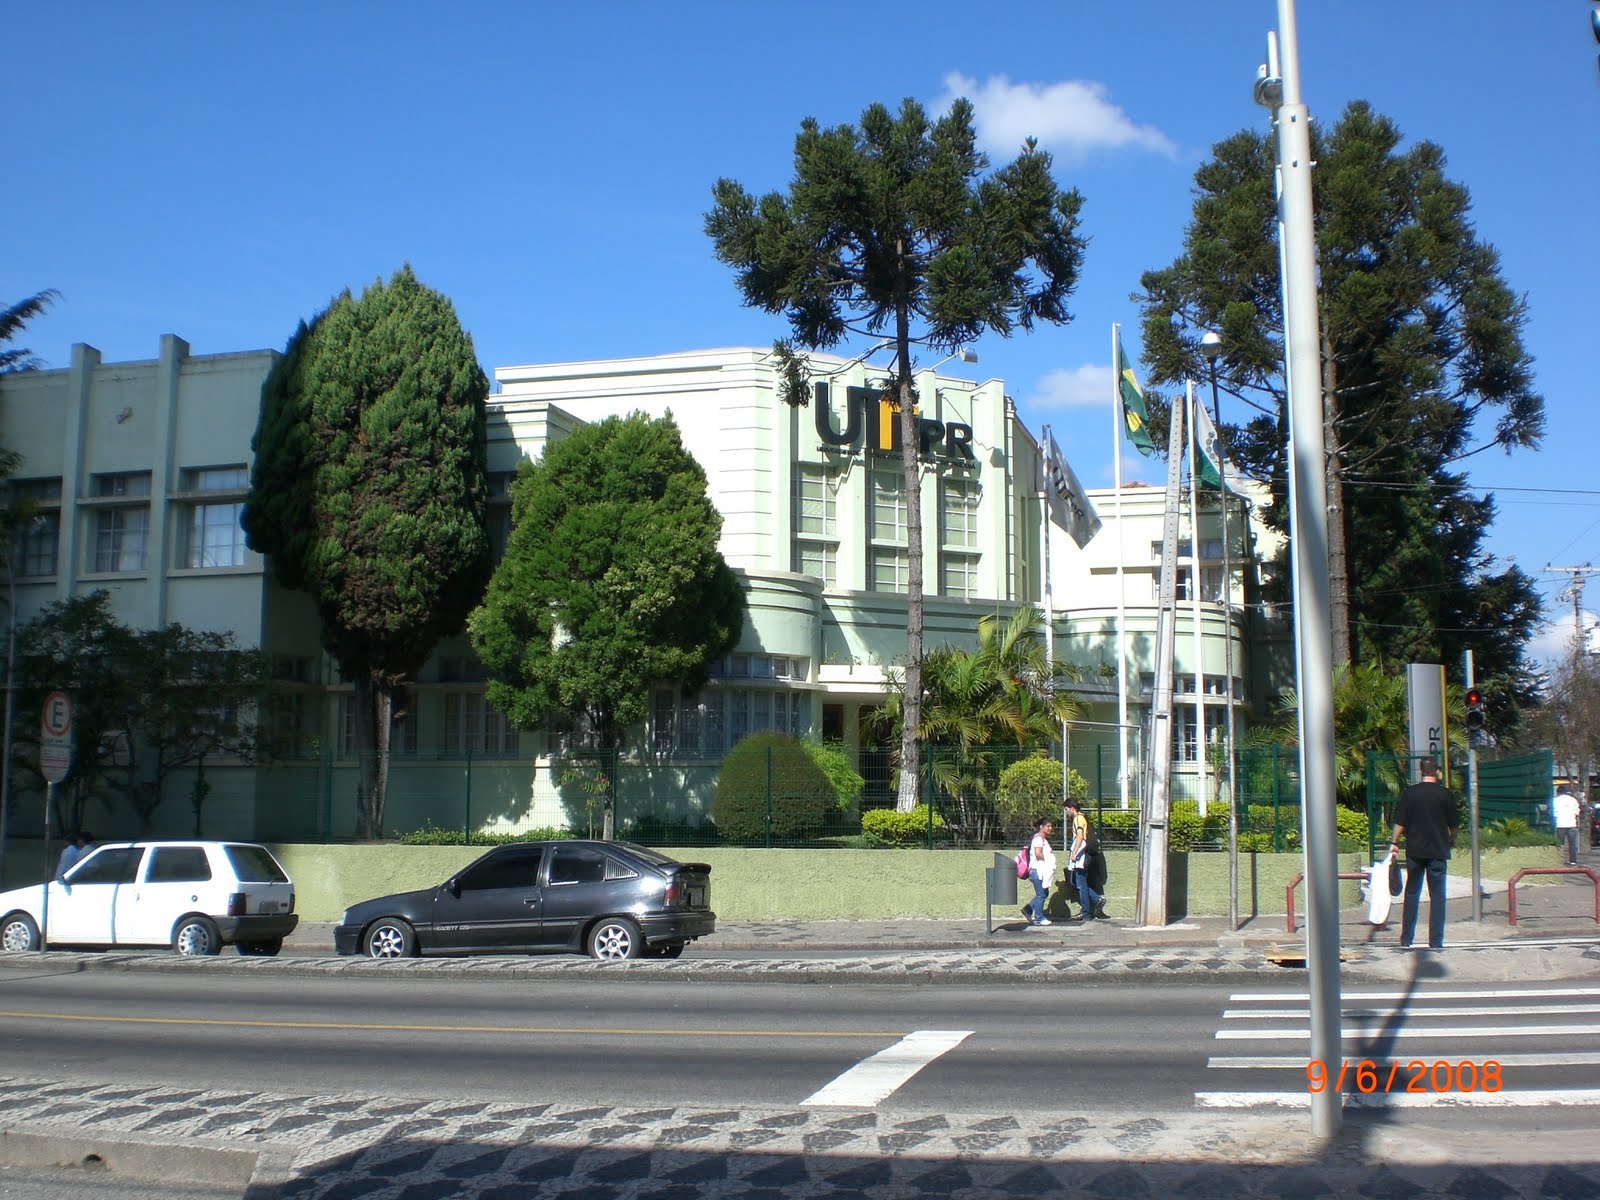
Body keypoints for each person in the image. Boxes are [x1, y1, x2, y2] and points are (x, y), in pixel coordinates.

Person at [1389, 760, 1459, 950]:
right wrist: (1452, 840)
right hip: (1438, 851)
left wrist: (1394, 842)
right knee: (1438, 896)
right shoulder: (1445, 794)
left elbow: (1400, 822)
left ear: (1420, 771)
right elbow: (1454, 825)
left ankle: (1406, 938)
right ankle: (1436, 941)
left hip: (1415, 851)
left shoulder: (1410, 794)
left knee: (1412, 893)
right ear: (1437, 771)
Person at [1064, 799, 1106, 920]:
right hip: (1083, 854)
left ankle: (1086, 911)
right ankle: (1097, 900)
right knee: (1078, 882)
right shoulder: (1082, 818)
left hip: (1082, 855)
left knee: (1080, 883)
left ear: (1072, 808)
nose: (1066, 812)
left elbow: (1080, 836)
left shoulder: (1078, 819)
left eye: (1066, 809)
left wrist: (1075, 853)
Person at [1021, 816, 1056, 927]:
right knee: (1041, 894)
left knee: (1043, 893)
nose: (1050, 828)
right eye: (1048, 826)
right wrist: (1049, 859)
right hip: (1037, 870)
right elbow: (1038, 853)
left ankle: (1028, 909)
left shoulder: (1042, 839)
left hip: (1040, 870)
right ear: (1041, 827)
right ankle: (1039, 917)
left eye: (1051, 826)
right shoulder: (1038, 839)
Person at [1552, 785, 1581, 867]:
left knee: (1560, 843)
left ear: (1558, 792)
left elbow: (1554, 813)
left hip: (1560, 824)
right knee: (1572, 843)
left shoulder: (1555, 800)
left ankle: (1559, 860)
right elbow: (1577, 812)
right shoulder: (1573, 800)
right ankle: (1573, 861)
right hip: (1572, 824)